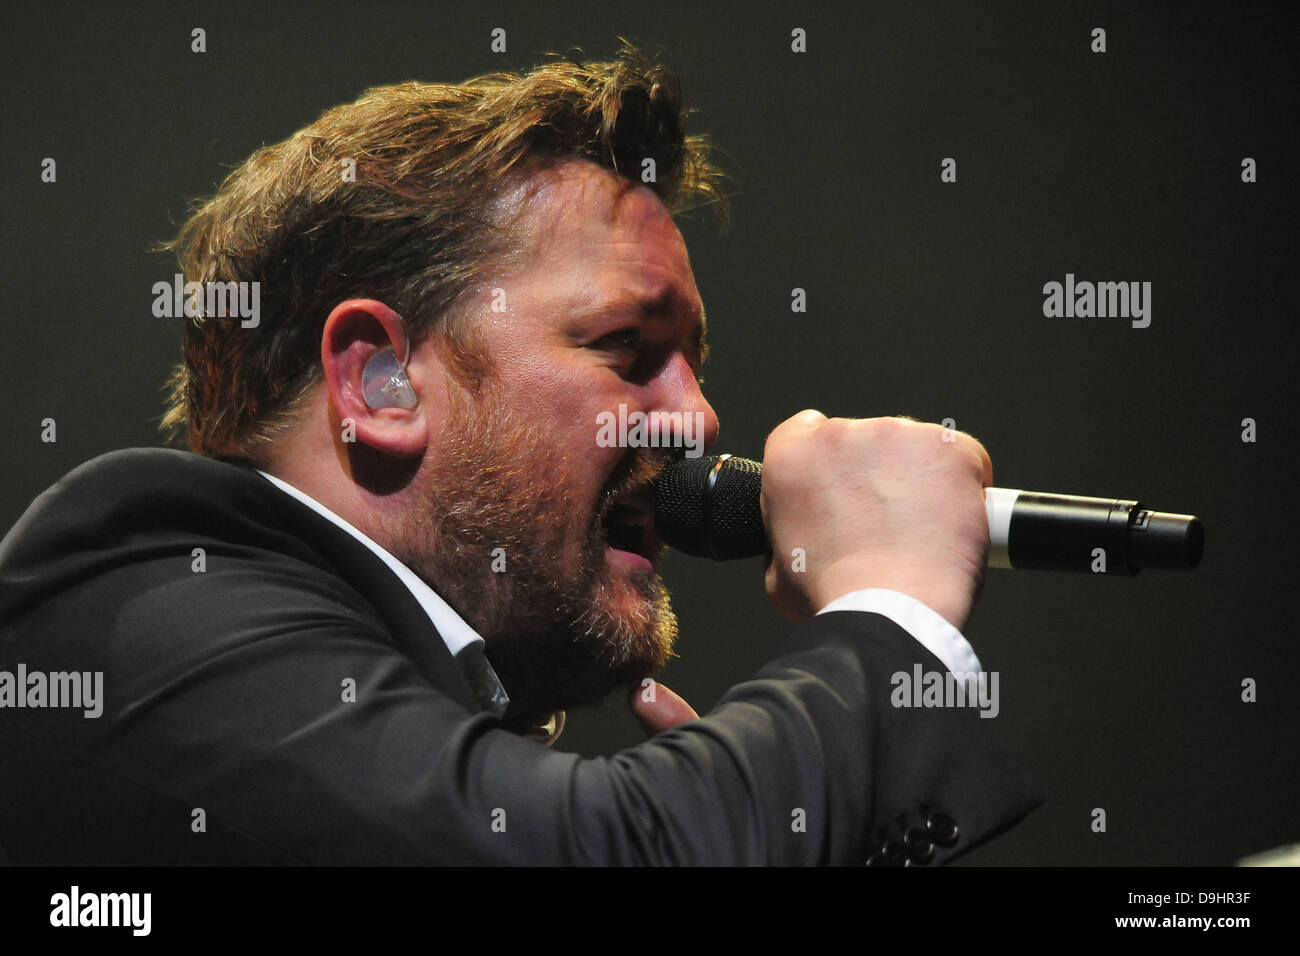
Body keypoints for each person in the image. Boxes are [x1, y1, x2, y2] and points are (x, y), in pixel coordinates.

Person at [0, 43, 1040, 865]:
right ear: (380, 382)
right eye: (624, 347)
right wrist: (886, 612)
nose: (697, 418)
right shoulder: (146, 610)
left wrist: (753, 815)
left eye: (694, 361)